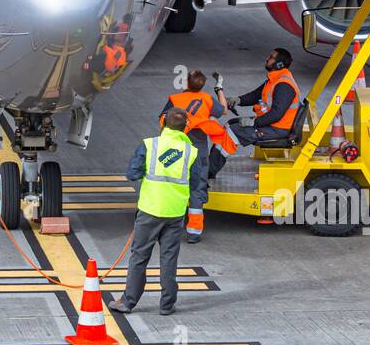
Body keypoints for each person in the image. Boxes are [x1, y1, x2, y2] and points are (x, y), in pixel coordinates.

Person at [109, 108, 205, 316]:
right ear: (186, 127)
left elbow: (132, 174)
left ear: (163, 122)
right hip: (175, 213)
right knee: (169, 258)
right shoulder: (191, 152)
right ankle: (167, 304)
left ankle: (128, 301)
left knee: (139, 257)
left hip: (150, 210)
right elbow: (196, 183)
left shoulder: (150, 145)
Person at [161, 69, 237, 243]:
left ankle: (170, 228)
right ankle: (194, 232)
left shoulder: (175, 99)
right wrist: (219, 89)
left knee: (173, 185)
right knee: (197, 189)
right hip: (199, 151)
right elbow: (224, 110)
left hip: (177, 149)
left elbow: (163, 120)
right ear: (202, 85)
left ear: (187, 83)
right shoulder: (207, 99)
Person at [220, 48, 300, 147]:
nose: (267, 59)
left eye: (271, 57)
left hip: (278, 129)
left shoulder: (284, 85)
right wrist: (238, 100)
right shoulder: (274, 79)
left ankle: (213, 162)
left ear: (279, 64)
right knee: (230, 124)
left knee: (232, 131)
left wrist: (255, 122)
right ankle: (215, 159)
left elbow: (276, 114)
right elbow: (256, 95)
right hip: (270, 123)